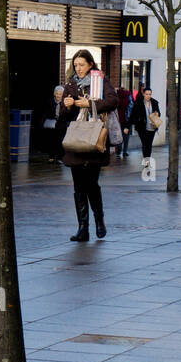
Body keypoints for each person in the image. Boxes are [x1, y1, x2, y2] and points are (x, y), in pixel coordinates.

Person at [61, 49, 117, 241]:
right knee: (78, 186)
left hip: (94, 138)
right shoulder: (71, 84)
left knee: (92, 183)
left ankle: (99, 220)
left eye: (82, 65)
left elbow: (112, 101)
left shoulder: (99, 80)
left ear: (91, 64)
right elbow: (62, 114)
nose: (78, 68)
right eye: (76, 65)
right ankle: (82, 228)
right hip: (76, 139)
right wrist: (67, 105)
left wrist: (89, 104)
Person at [128, 85, 161, 164]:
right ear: (143, 94)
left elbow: (159, 113)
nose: (148, 96)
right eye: (147, 94)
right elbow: (132, 115)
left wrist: (157, 113)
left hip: (152, 127)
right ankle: (146, 161)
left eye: (150, 94)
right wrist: (127, 126)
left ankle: (147, 158)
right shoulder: (138, 103)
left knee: (149, 144)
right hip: (142, 127)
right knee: (145, 143)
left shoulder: (154, 102)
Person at [43, 86, 67, 161]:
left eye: (60, 94)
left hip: (61, 123)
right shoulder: (50, 101)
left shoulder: (65, 102)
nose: (58, 95)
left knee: (61, 140)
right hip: (52, 123)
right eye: (57, 93)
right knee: (51, 140)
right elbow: (46, 112)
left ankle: (61, 156)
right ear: (54, 94)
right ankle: (52, 156)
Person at [115, 85, 133, 158]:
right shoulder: (128, 95)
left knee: (119, 135)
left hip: (118, 119)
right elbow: (131, 106)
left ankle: (119, 150)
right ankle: (125, 151)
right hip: (126, 119)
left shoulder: (116, 96)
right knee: (126, 136)